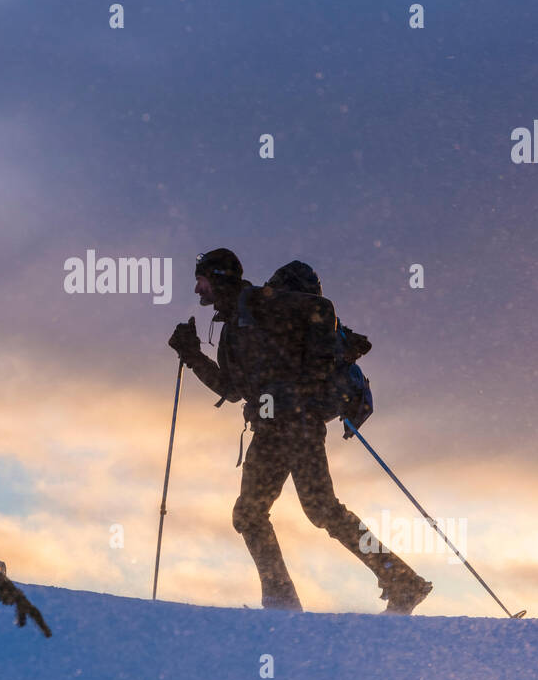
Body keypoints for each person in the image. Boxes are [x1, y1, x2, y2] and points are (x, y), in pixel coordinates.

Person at [168, 248, 432, 613]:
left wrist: (309, 383)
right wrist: (193, 354)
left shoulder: (261, 303)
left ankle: (296, 598)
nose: (197, 289)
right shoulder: (234, 327)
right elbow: (231, 389)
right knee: (262, 514)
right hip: (273, 429)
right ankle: (299, 597)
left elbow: (322, 310)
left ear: (219, 278)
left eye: (201, 280)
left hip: (294, 425)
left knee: (308, 510)